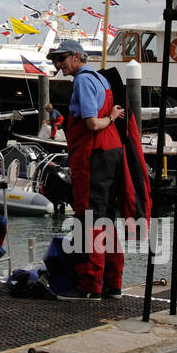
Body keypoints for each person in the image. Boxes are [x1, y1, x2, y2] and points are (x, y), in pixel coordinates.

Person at [47, 38, 125, 301]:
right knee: (106, 218)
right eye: (55, 60)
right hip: (110, 153)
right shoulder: (101, 78)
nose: (58, 65)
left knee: (88, 219)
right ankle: (112, 283)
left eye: (61, 58)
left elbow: (91, 123)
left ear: (77, 57)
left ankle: (89, 285)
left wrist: (111, 118)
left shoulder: (82, 80)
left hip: (93, 155)